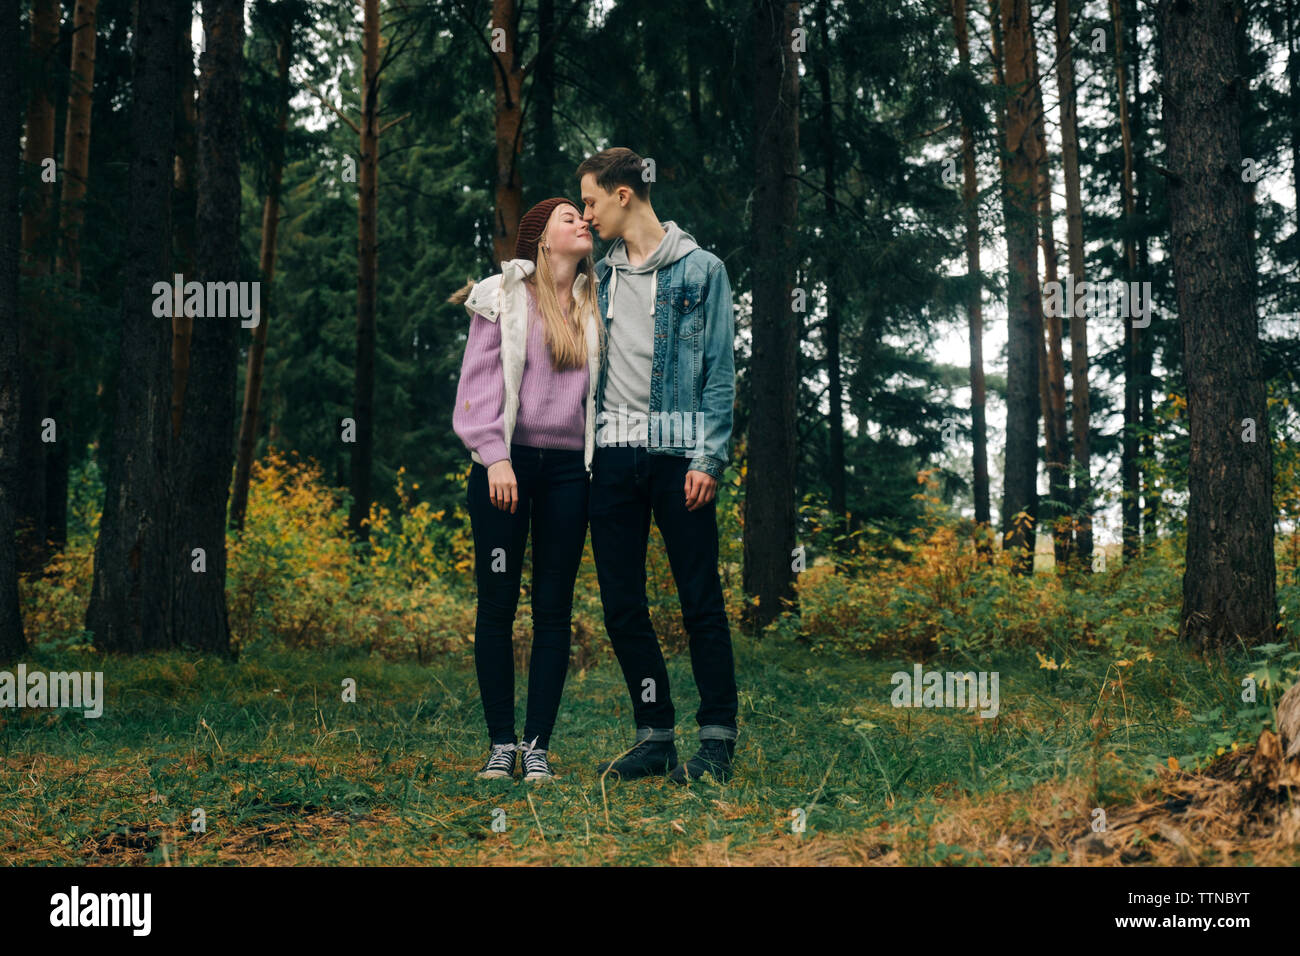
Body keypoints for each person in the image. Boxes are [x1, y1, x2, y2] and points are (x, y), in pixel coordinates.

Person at [576, 147, 740, 784]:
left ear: (623, 194)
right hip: (612, 461)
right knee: (622, 605)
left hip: (681, 460)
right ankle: (655, 736)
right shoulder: (600, 279)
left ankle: (717, 740)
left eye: (590, 201)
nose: (586, 215)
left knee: (700, 601)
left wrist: (708, 457)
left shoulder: (704, 271)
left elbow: (720, 375)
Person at [449, 197, 604, 782]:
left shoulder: (596, 302)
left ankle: (536, 745)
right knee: (497, 606)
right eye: (571, 218)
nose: (583, 222)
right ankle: (500, 744)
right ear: (541, 237)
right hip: (505, 468)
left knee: (553, 612)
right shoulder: (502, 296)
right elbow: (475, 386)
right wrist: (494, 458)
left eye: (584, 216)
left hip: (571, 472)